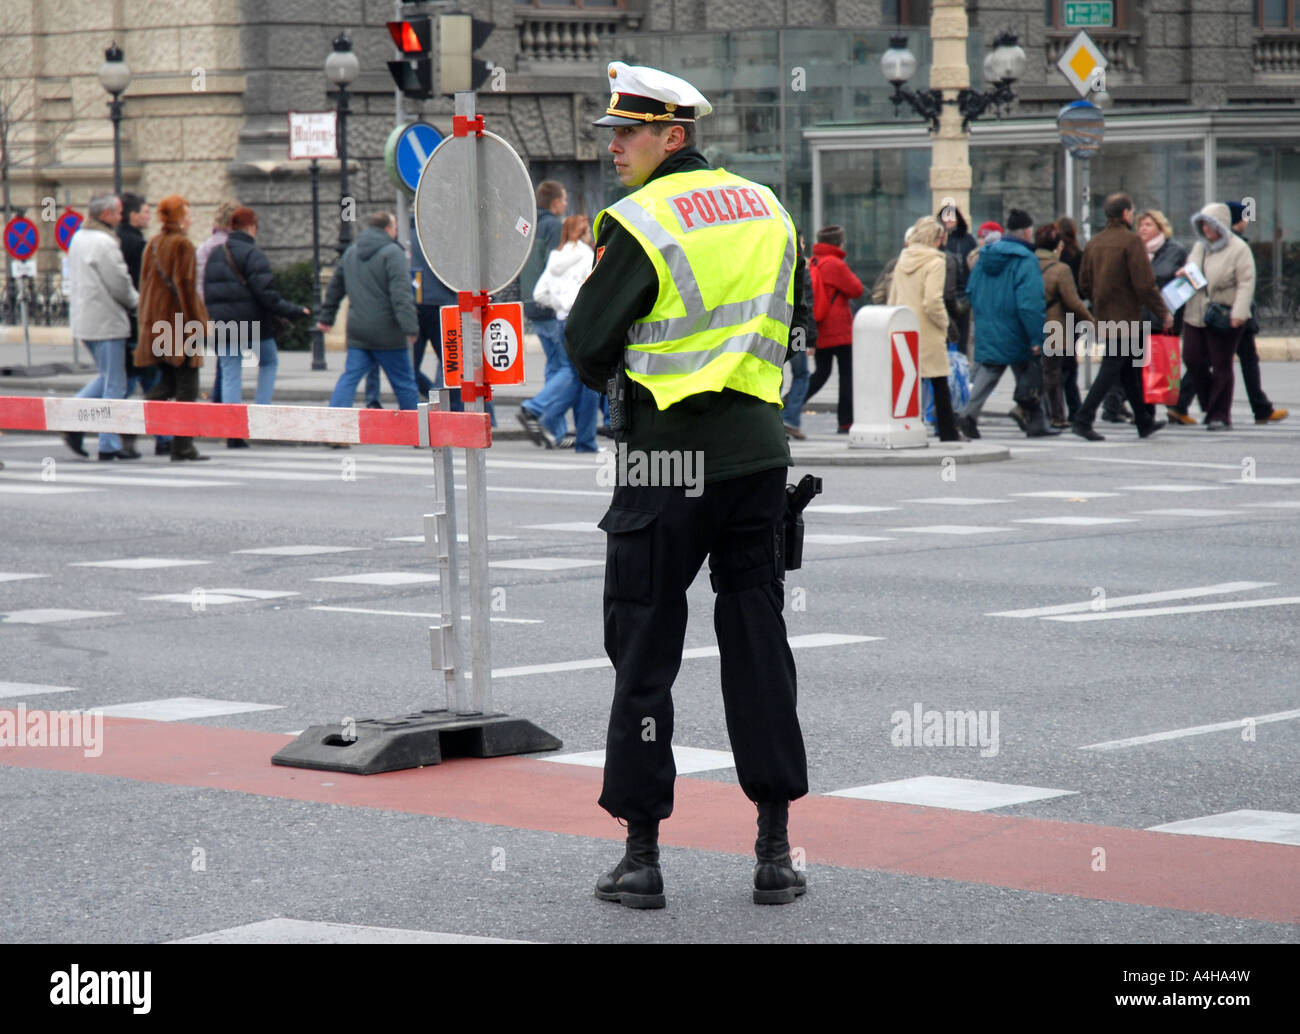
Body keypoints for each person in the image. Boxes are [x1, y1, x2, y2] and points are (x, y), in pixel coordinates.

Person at [566, 61, 809, 910]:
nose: (614, 150)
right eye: (611, 135)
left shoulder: (638, 218)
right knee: (758, 646)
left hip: (663, 460)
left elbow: (588, 344)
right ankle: (775, 852)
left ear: (674, 135)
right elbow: (795, 318)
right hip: (756, 456)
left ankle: (641, 858)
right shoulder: (769, 208)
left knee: (643, 651)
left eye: (627, 134)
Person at [202, 206, 310, 446]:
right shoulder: (253, 254)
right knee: (269, 362)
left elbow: (208, 292)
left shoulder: (216, 254)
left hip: (224, 325)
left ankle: (233, 431)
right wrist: (294, 311)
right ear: (251, 227)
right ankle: (261, 419)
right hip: (253, 325)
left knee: (230, 371)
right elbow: (267, 295)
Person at [1071, 192, 1173, 441]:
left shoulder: (1094, 243)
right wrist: (1163, 312)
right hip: (1127, 317)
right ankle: (1083, 419)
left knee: (1129, 371)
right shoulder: (1131, 242)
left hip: (1106, 316)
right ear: (1126, 214)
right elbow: (1144, 285)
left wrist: (1099, 301)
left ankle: (1143, 421)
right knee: (1111, 368)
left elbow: (1083, 283)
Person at [956, 209, 1055, 439]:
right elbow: (1029, 303)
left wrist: (984, 318)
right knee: (1029, 372)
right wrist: (1036, 336)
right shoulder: (1025, 259)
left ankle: (968, 414)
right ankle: (1034, 420)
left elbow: (972, 290)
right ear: (1027, 232)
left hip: (989, 325)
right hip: (1016, 328)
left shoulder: (985, 256)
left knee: (990, 369)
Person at [319, 211, 420, 415]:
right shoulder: (393, 253)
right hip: (388, 333)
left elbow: (335, 288)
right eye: (395, 227)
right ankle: (417, 432)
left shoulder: (351, 252)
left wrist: (325, 318)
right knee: (404, 382)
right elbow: (401, 295)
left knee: (349, 378)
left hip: (358, 332)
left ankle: (335, 426)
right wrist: (410, 327)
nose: (396, 231)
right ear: (387, 229)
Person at [134, 194, 210, 461]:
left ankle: (129, 424)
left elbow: (145, 286)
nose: (191, 219)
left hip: (157, 323)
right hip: (179, 326)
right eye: (187, 214)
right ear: (178, 219)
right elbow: (186, 288)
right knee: (187, 387)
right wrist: (197, 324)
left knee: (167, 382)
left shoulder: (153, 244)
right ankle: (182, 446)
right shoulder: (182, 245)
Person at [65, 192, 139, 460]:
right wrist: (136, 303)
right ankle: (106, 442)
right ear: (106, 214)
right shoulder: (104, 242)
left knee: (106, 378)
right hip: (106, 321)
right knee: (115, 384)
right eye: (118, 213)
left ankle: (71, 418)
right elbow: (119, 282)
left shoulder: (78, 238)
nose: (121, 217)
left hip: (86, 320)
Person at [1178, 202, 1257, 431]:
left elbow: (1246, 282)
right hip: (1197, 312)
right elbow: (1192, 269)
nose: (1206, 230)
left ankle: (1219, 414)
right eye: (1202, 225)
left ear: (1221, 225)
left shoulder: (1239, 249)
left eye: (1210, 225)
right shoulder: (1199, 247)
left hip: (1224, 312)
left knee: (1222, 364)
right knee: (1192, 358)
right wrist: (1185, 273)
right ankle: (1212, 401)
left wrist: (1239, 313)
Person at [529, 214, 600, 451]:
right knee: (588, 381)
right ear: (582, 233)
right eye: (588, 230)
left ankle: (547, 417)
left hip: (561, 321)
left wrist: (560, 305)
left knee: (573, 376)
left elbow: (539, 294)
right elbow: (594, 291)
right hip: (583, 322)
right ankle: (584, 440)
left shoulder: (555, 257)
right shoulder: (587, 256)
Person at [888, 216, 961, 441]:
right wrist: (944, 323)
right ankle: (948, 433)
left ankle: (905, 428)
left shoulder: (903, 259)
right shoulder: (936, 262)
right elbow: (932, 301)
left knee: (909, 382)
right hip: (928, 329)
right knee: (939, 381)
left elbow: (893, 297)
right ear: (936, 238)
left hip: (904, 328)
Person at [116, 192, 173, 456]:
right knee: (145, 382)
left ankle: (158, 437)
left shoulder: (120, 239)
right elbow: (145, 285)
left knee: (133, 382)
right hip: (139, 324)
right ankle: (161, 438)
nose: (149, 216)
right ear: (132, 214)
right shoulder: (136, 245)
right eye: (145, 211)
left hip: (126, 324)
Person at [516, 180, 569, 445]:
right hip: (549, 306)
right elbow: (556, 268)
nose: (566, 204)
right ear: (556, 202)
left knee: (554, 366)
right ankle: (534, 408)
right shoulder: (554, 226)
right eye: (565, 199)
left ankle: (554, 434)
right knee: (568, 368)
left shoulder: (526, 224)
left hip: (530, 303)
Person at [1225, 200, 1285, 425]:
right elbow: (1245, 282)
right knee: (1237, 360)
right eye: (1244, 217)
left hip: (1232, 313)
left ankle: (1261, 407)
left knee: (1222, 358)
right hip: (1236, 314)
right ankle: (1260, 408)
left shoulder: (1223, 242)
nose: (1247, 221)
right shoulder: (1236, 244)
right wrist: (1241, 312)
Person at [804, 225, 862, 433]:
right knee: (847, 375)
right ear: (838, 242)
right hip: (840, 331)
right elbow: (856, 289)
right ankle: (845, 422)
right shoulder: (835, 264)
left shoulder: (814, 262)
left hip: (820, 328)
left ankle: (789, 406)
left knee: (821, 373)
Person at [1035, 222, 1093, 428]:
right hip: (1056, 327)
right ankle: (1057, 416)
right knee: (1056, 372)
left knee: (1040, 370)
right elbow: (1073, 301)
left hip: (1031, 324)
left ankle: (1040, 411)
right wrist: (1092, 321)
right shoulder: (1061, 269)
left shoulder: (1028, 263)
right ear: (1057, 246)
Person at [196, 200, 240, 405]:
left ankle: (218, 406)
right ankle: (227, 420)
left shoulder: (205, 246)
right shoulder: (231, 247)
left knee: (223, 363)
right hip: (228, 313)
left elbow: (197, 283)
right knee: (229, 365)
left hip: (207, 312)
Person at [781, 234, 816, 440]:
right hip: (796, 329)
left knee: (777, 374)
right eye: (802, 242)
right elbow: (806, 305)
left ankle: (779, 420)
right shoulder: (800, 265)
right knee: (801, 373)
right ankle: (790, 419)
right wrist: (809, 338)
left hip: (775, 327)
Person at [940, 204, 976, 354]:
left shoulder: (968, 240)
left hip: (963, 293)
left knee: (961, 335)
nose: (948, 221)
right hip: (943, 292)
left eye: (951, 217)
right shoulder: (940, 240)